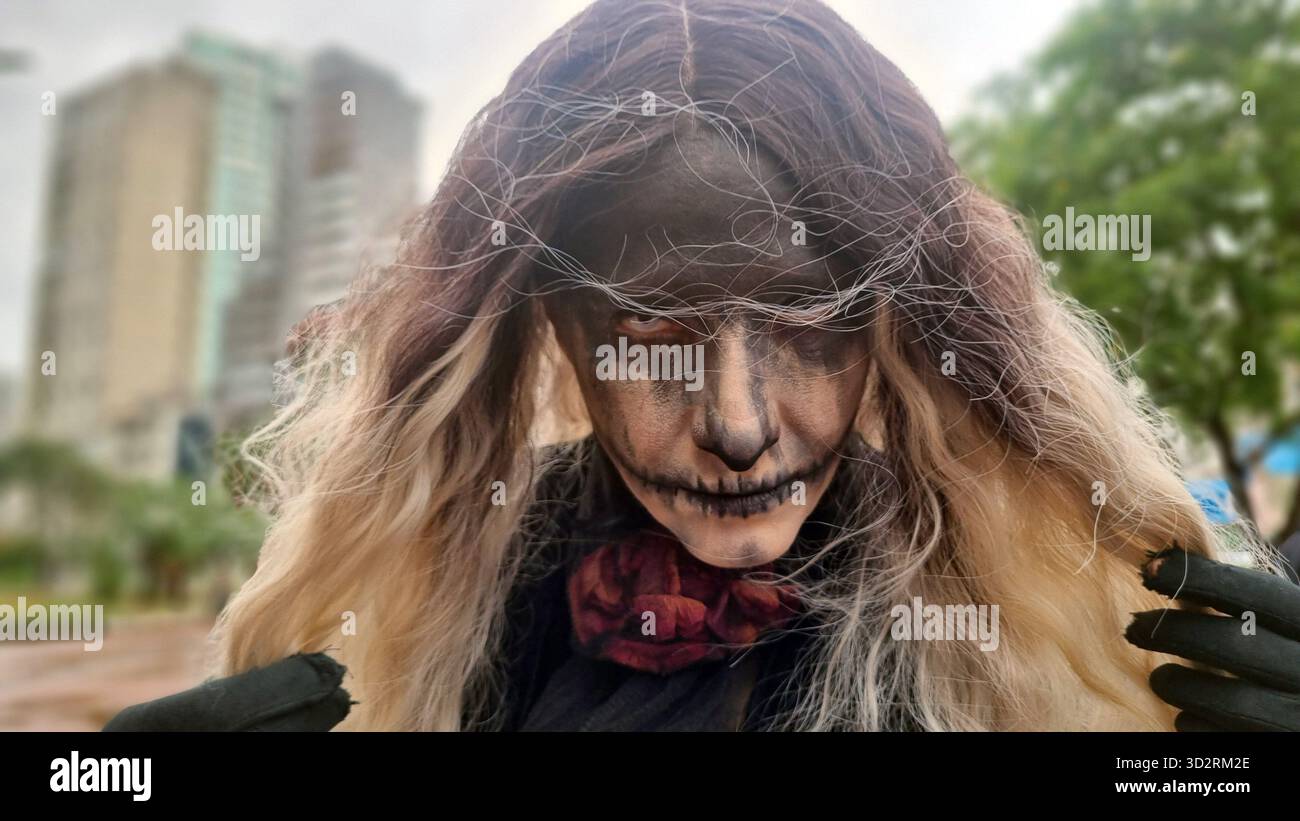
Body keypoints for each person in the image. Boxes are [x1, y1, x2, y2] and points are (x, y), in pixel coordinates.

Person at [105, 0, 1300, 732]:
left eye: (812, 321)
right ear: (559, 333)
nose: (738, 424)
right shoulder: (442, 608)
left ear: (892, 323)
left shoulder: (1004, 600)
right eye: (658, 335)